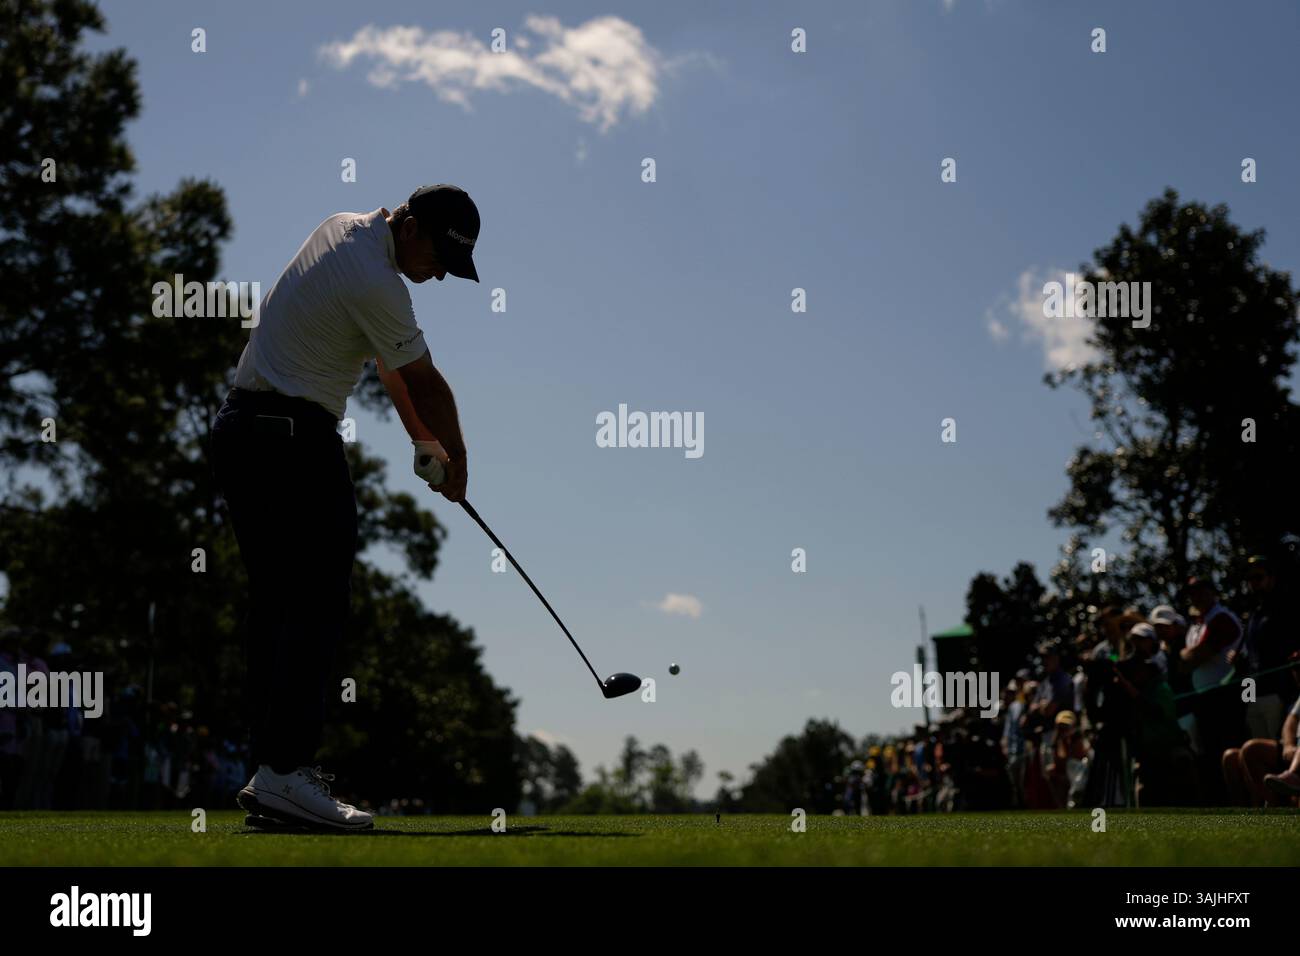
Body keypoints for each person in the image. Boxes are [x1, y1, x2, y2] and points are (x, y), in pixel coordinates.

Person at [211, 184, 481, 830]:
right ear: (410, 226)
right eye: (439, 256)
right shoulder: (378, 281)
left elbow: (389, 366)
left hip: (242, 432)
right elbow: (423, 377)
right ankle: (286, 771)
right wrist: (459, 463)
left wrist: (422, 439)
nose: (440, 273)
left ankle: (271, 776)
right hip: (292, 438)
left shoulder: (345, 231)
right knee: (321, 597)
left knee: (277, 607)